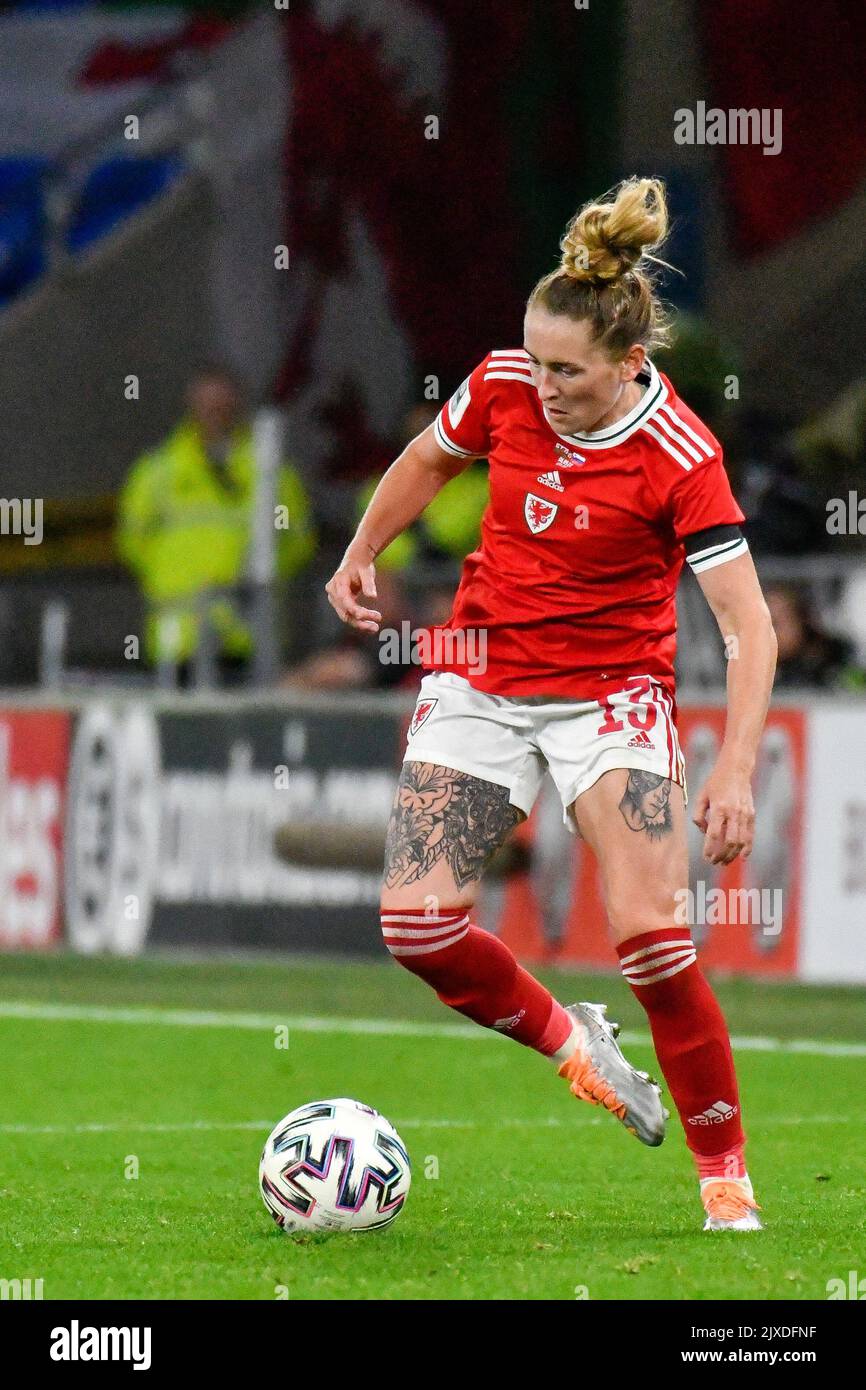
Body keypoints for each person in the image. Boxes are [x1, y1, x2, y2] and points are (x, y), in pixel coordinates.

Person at [325, 178, 778, 1232]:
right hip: (479, 677)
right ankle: (574, 1044)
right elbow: (429, 458)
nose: (544, 385)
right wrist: (361, 549)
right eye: (534, 360)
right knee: (417, 927)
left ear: (630, 363)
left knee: (651, 938)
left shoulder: (680, 457)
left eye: (566, 369)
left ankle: (724, 1178)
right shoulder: (499, 386)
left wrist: (734, 768)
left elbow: (748, 626)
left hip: (610, 703)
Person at [117, 365, 316, 681]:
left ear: (237, 406)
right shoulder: (157, 472)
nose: (215, 413)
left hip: (249, 639)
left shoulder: (271, 473)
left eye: (223, 405)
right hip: (178, 638)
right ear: (191, 405)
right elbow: (132, 545)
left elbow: (298, 544)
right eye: (208, 405)